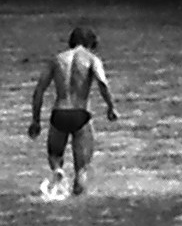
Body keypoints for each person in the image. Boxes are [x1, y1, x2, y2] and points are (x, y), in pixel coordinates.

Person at [27, 25, 118, 197]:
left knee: (55, 155)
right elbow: (103, 83)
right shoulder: (92, 59)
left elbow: (39, 90)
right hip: (81, 114)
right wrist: (111, 107)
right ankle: (77, 201)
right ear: (91, 43)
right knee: (81, 168)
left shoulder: (57, 59)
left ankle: (57, 171)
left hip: (59, 114)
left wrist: (35, 120)